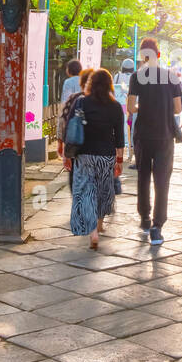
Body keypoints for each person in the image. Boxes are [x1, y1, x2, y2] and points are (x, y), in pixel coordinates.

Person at [127, 37, 181, 246]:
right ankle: (158, 226)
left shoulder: (136, 77)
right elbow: (177, 109)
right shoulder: (171, 77)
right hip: (165, 135)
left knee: (143, 177)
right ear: (158, 55)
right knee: (162, 181)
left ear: (142, 57)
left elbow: (131, 108)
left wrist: (144, 107)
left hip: (143, 135)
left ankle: (145, 218)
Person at [65, 68, 125, 250]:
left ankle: (93, 232)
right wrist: (119, 160)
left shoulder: (81, 103)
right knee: (102, 191)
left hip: (84, 154)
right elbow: (120, 136)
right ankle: (99, 224)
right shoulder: (115, 107)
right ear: (109, 85)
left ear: (90, 84)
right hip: (106, 155)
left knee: (86, 191)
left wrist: (68, 155)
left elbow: (70, 128)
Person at [116, 57, 136, 164]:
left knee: (120, 129)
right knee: (131, 128)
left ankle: (119, 152)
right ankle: (130, 151)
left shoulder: (117, 76)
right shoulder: (135, 76)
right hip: (131, 108)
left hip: (119, 107)